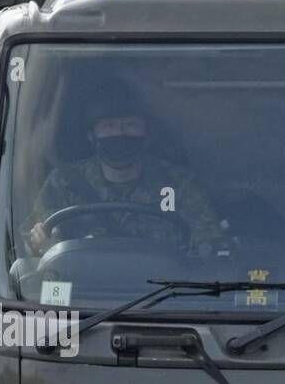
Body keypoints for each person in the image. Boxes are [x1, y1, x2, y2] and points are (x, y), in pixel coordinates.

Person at [28, 79, 227, 260]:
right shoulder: (64, 183)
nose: (119, 133)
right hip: (85, 294)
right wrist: (44, 245)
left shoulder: (179, 183)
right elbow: (29, 248)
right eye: (109, 126)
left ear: (146, 134)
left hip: (164, 292)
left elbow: (208, 245)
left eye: (130, 125)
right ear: (92, 136)